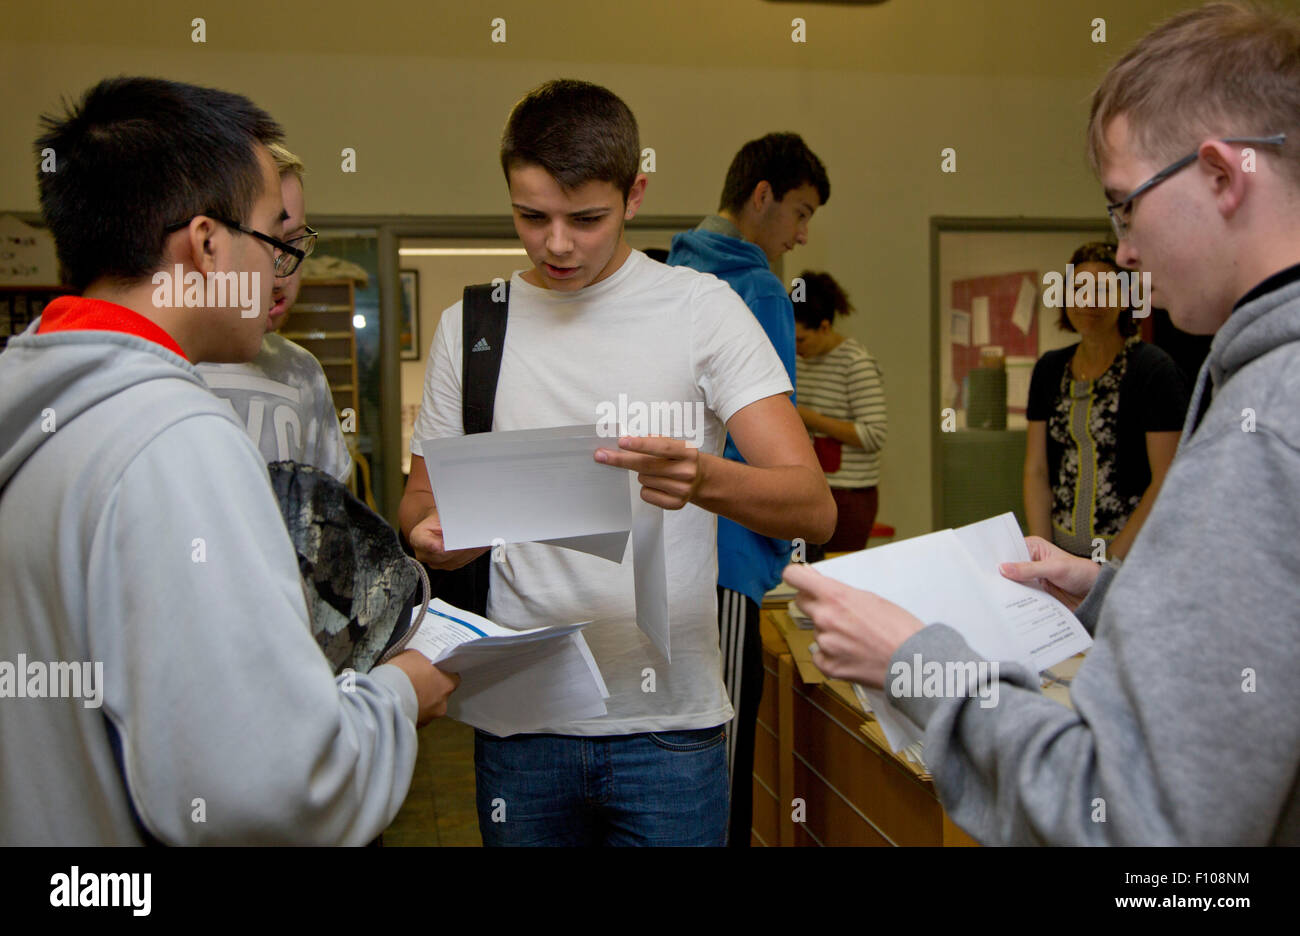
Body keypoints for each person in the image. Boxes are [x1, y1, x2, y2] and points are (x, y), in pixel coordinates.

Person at [784, 1, 1300, 844]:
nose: (1125, 252)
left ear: (1220, 175)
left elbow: (1135, 826)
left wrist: (916, 664)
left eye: (1125, 207)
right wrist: (1106, 595)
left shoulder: (1269, 417)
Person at [0, 77, 457, 845]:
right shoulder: (176, 438)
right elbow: (265, 792)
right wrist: (401, 696)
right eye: (273, 239)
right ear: (208, 246)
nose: (282, 271)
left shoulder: (42, 407)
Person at [399, 78, 835, 847]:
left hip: (669, 725)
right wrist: (436, 539)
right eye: (531, 217)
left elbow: (811, 504)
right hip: (520, 726)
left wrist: (706, 478)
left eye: (587, 218)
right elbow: (420, 509)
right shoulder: (471, 327)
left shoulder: (702, 310)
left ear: (635, 193)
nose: (557, 244)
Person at [665, 131, 829, 847]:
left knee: (678, 768)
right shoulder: (756, 285)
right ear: (760, 196)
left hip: (670, 553)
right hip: (729, 555)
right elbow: (769, 446)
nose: (799, 235)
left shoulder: (668, 271)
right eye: (798, 212)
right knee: (724, 779)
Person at [197, 144, 352, 482]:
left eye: (294, 243)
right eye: (269, 244)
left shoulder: (302, 372)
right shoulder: (153, 364)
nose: (282, 275)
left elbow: (325, 519)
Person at [1024, 242, 1185, 559]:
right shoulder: (1049, 369)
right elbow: (1036, 470)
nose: (1089, 301)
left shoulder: (1153, 370)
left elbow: (1167, 478)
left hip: (1132, 561)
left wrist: (1106, 569)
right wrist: (1042, 554)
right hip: (1062, 554)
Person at [791, 270, 887, 559]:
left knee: (838, 577)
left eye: (802, 339)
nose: (796, 347)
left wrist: (806, 417)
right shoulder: (798, 360)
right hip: (810, 486)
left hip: (848, 494)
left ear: (824, 327)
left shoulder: (856, 364)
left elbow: (874, 434)